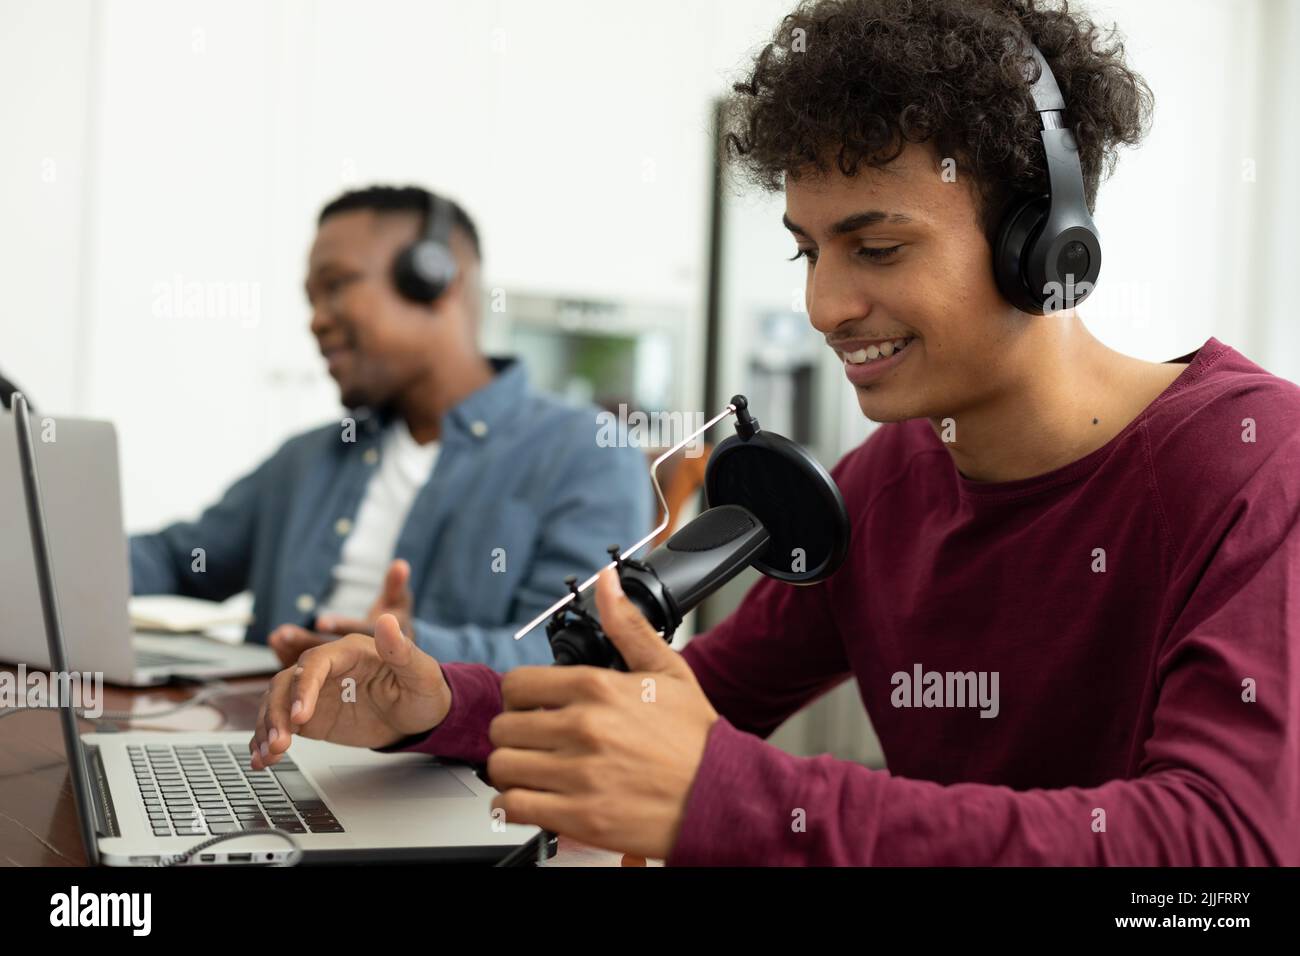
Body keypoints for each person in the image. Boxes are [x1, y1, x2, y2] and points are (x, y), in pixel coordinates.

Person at [248, 0, 1299, 864]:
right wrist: (439, 703)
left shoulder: (1251, 461)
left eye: (877, 246)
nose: (825, 305)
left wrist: (733, 798)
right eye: (807, 253)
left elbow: (1222, 844)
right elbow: (710, 693)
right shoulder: (888, 479)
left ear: (1046, 243)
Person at [131, 185, 652, 670]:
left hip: (439, 767)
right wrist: (59, 557)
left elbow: (577, 655)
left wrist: (408, 652)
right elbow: (180, 560)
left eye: (335, 286)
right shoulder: (310, 457)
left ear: (435, 280)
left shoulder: (586, 453)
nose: (316, 320)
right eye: (310, 298)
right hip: (261, 742)